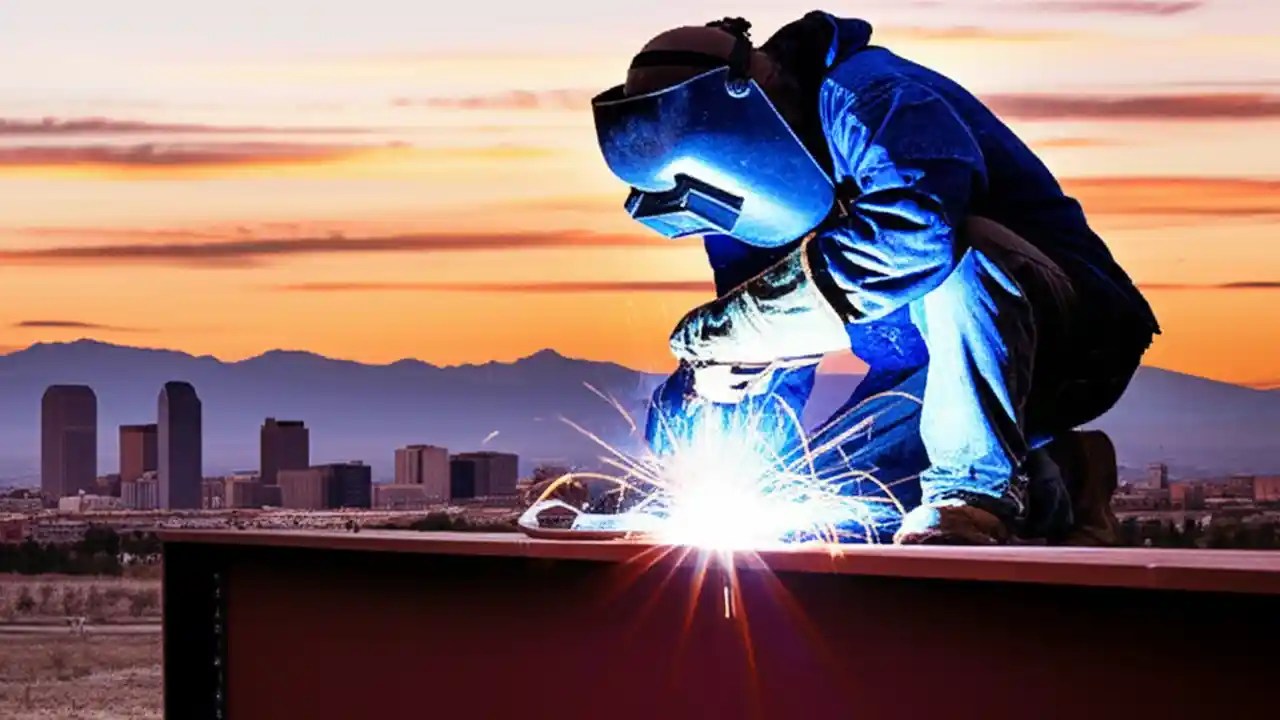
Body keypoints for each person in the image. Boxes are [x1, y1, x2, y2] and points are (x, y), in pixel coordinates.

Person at [590, 12, 1159, 544]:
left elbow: (919, 233)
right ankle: (1059, 473)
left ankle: (975, 486)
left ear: (751, 106)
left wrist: (745, 325)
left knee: (963, 247)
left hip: (1071, 335)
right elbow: (763, 337)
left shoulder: (872, 96)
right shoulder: (751, 197)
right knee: (830, 505)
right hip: (930, 378)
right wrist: (707, 404)